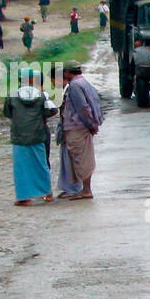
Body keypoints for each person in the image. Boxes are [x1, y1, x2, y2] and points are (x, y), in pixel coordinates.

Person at [5, 70, 56, 206]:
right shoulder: (41, 95)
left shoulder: (11, 96)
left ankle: (24, 198)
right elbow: (48, 111)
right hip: (38, 134)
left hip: (19, 135)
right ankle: (47, 193)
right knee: (41, 164)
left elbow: (7, 113)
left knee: (21, 167)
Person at [58, 64, 103, 200]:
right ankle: (82, 189)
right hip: (82, 126)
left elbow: (83, 107)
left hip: (77, 127)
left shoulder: (75, 86)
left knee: (81, 159)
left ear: (67, 72)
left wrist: (91, 124)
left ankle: (86, 190)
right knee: (82, 158)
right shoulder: (84, 82)